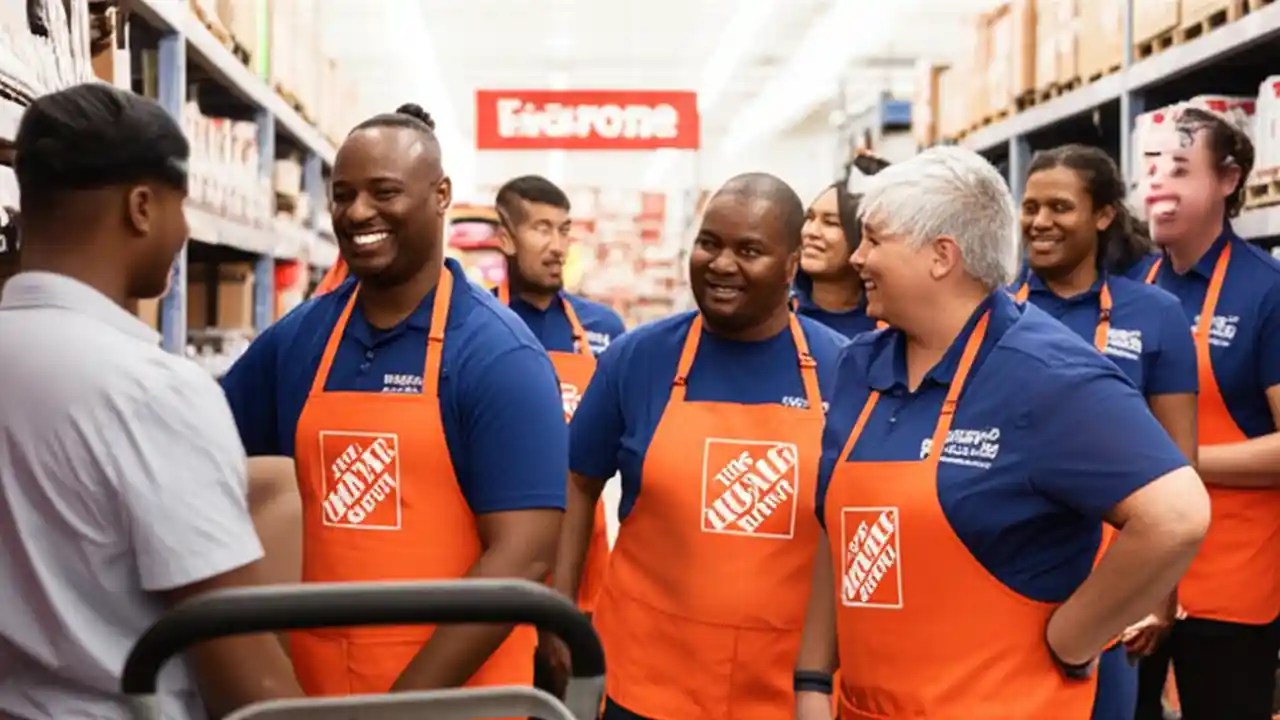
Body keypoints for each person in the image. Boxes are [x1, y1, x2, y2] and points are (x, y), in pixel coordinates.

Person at [797, 146, 1211, 720]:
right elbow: (838, 532)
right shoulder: (859, 367)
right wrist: (813, 684)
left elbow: (1177, 515)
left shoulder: (1046, 377)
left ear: (942, 256)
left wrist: (1072, 638)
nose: (858, 257)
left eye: (873, 240)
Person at [218, 104, 568, 698]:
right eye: (343, 194)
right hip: (314, 696)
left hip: (460, 701)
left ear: (440, 196)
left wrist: (399, 710)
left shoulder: (499, 357)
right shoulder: (302, 339)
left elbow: (523, 558)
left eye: (384, 192)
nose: (357, 213)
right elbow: (202, 443)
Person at [0, 83, 301, 719]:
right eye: (180, 205)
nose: (186, 229)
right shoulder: (152, 391)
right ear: (142, 207)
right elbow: (249, 685)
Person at [547, 172, 847, 719]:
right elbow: (576, 481)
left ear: (791, 263)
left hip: (787, 691)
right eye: (710, 243)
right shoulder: (637, 360)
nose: (722, 264)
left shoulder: (844, 372)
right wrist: (562, 613)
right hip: (643, 680)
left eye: (749, 250)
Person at [1014, 144, 1200, 720]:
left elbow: (1177, 461)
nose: (1040, 222)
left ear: (1102, 216)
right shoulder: (993, 309)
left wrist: (1162, 591)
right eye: (1030, 206)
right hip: (1010, 561)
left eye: (1060, 207)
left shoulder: (1155, 313)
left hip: (1114, 573)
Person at [1138, 106, 1280, 720]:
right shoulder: (1131, 285)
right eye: (1151, 169)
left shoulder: (1265, 291)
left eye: (1178, 167)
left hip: (1231, 581)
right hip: (1132, 578)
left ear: (1227, 180)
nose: (1159, 184)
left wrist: (1176, 463)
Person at [490, 174, 626, 694]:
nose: (557, 246)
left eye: (564, 230)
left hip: (587, 570)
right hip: (501, 561)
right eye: (541, 229)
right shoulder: (478, 325)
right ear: (505, 237)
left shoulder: (605, 330)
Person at [793, 183, 879, 338]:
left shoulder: (888, 323)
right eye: (810, 218)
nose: (811, 232)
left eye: (830, 223)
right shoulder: (778, 314)